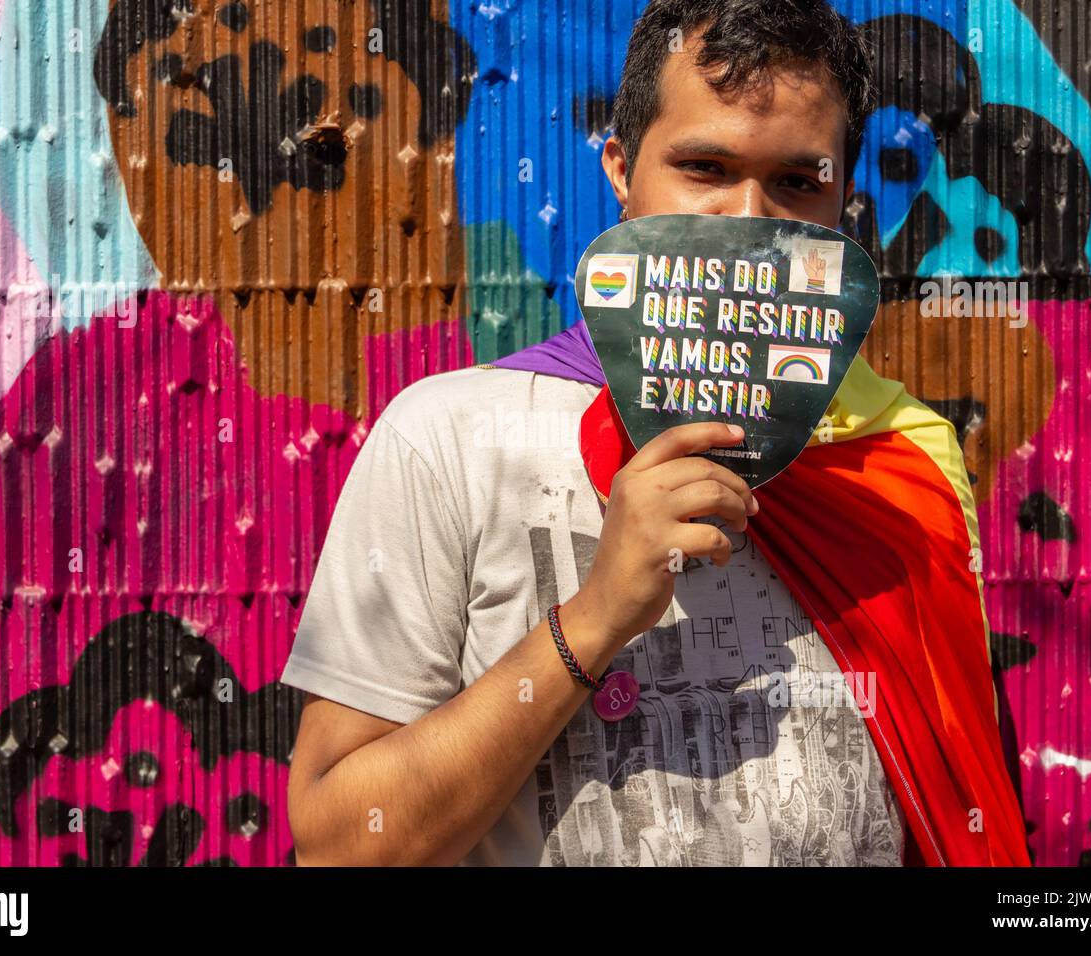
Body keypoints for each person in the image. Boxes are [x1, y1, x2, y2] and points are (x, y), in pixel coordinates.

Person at [280, 0, 1031, 866]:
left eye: (796, 182)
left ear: (842, 205)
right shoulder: (451, 437)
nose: (748, 222)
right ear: (619, 169)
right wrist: (594, 621)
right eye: (704, 166)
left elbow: (957, 801)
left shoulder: (902, 459)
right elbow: (340, 846)